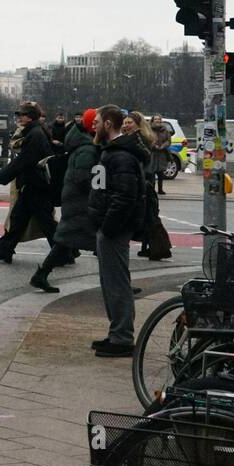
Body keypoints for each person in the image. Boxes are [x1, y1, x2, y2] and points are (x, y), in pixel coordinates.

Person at [87, 105, 149, 357]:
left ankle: (122, 338)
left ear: (109, 125)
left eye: (98, 122)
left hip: (114, 229)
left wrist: (107, 226)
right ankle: (117, 333)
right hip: (109, 226)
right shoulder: (113, 152)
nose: (94, 125)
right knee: (111, 282)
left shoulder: (119, 155)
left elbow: (124, 196)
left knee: (116, 283)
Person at [30, 108, 100, 292]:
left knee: (65, 242)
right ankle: (119, 284)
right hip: (81, 203)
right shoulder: (87, 149)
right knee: (103, 243)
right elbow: (83, 178)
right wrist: (97, 193)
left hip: (75, 201)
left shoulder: (83, 145)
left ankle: (41, 275)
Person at [0, 102, 58, 263]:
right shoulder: (35, 132)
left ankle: (65, 252)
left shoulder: (35, 134)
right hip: (34, 184)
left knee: (45, 223)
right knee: (19, 218)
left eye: (22, 115)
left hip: (35, 185)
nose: (19, 118)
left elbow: (25, 161)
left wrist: (2, 176)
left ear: (30, 117)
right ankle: (5, 249)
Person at [124, 111, 166, 260]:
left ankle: (158, 247)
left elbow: (141, 159)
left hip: (143, 179)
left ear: (138, 124)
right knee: (149, 216)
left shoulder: (138, 139)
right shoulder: (143, 137)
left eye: (130, 122)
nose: (126, 125)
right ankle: (155, 248)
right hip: (145, 178)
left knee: (146, 216)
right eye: (125, 122)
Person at [150, 114, 172, 195]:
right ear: (153, 120)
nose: (157, 120)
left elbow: (168, 140)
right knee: (151, 173)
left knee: (161, 173)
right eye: (155, 119)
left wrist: (163, 146)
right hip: (152, 154)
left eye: (159, 119)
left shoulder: (165, 130)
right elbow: (147, 140)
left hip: (162, 154)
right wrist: (153, 145)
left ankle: (160, 189)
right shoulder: (149, 130)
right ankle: (151, 189)